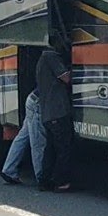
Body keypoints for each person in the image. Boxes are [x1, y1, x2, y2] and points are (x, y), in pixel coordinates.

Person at [36, 40, 74, 192]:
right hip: (58, 112)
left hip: (48, 113)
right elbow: (66, 78)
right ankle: (60, 181)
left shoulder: (42, 59)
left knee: (50, 148)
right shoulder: (51, 57)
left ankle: (44, 181)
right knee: (63, 148)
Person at [0, 89, 47, 185]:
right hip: (38, 103)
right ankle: (41, 177)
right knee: (37, 141)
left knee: (24, 136)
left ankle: (9, 169)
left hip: (33, 100)